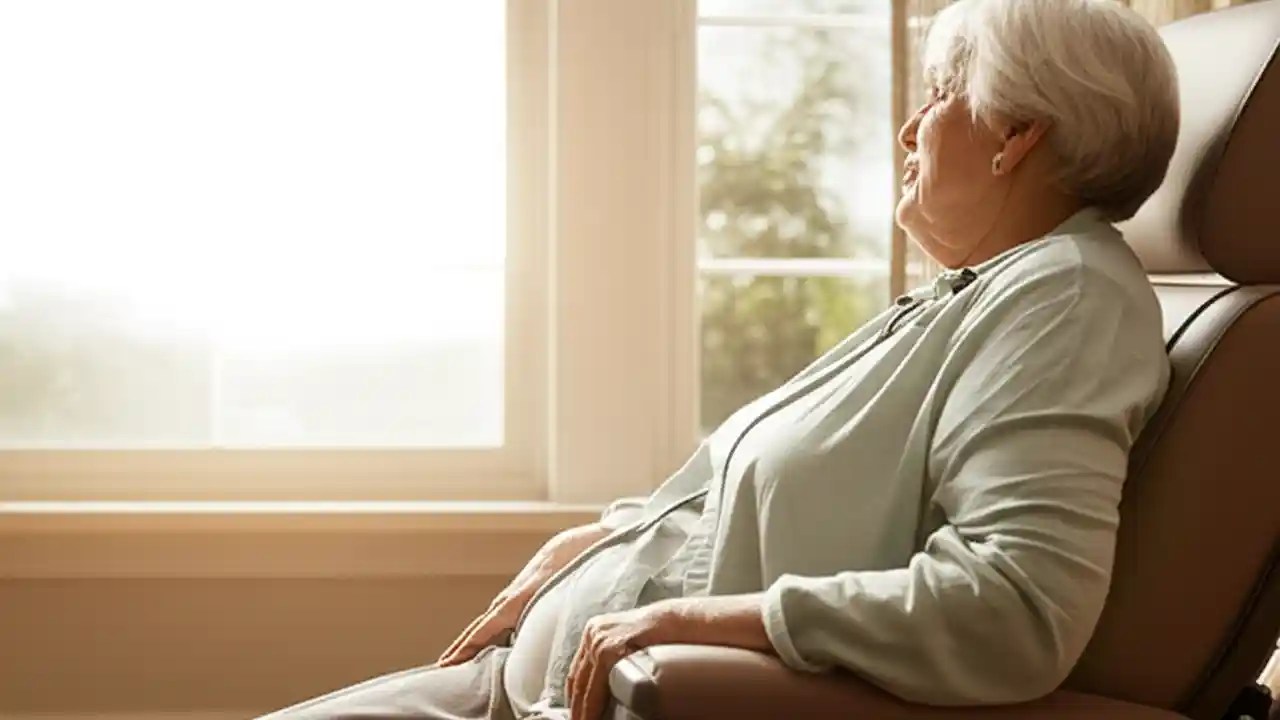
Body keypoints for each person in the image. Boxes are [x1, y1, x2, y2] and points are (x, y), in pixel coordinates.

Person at [258, 0, 1179, 718]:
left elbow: (1011, 609)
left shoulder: (1068, 298)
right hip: (518, 688)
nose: (909, 131)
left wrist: (690, 620)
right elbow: (761, 505)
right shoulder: (979, 292)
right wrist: (596, 543)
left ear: (1017, 135)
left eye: (940, 95)